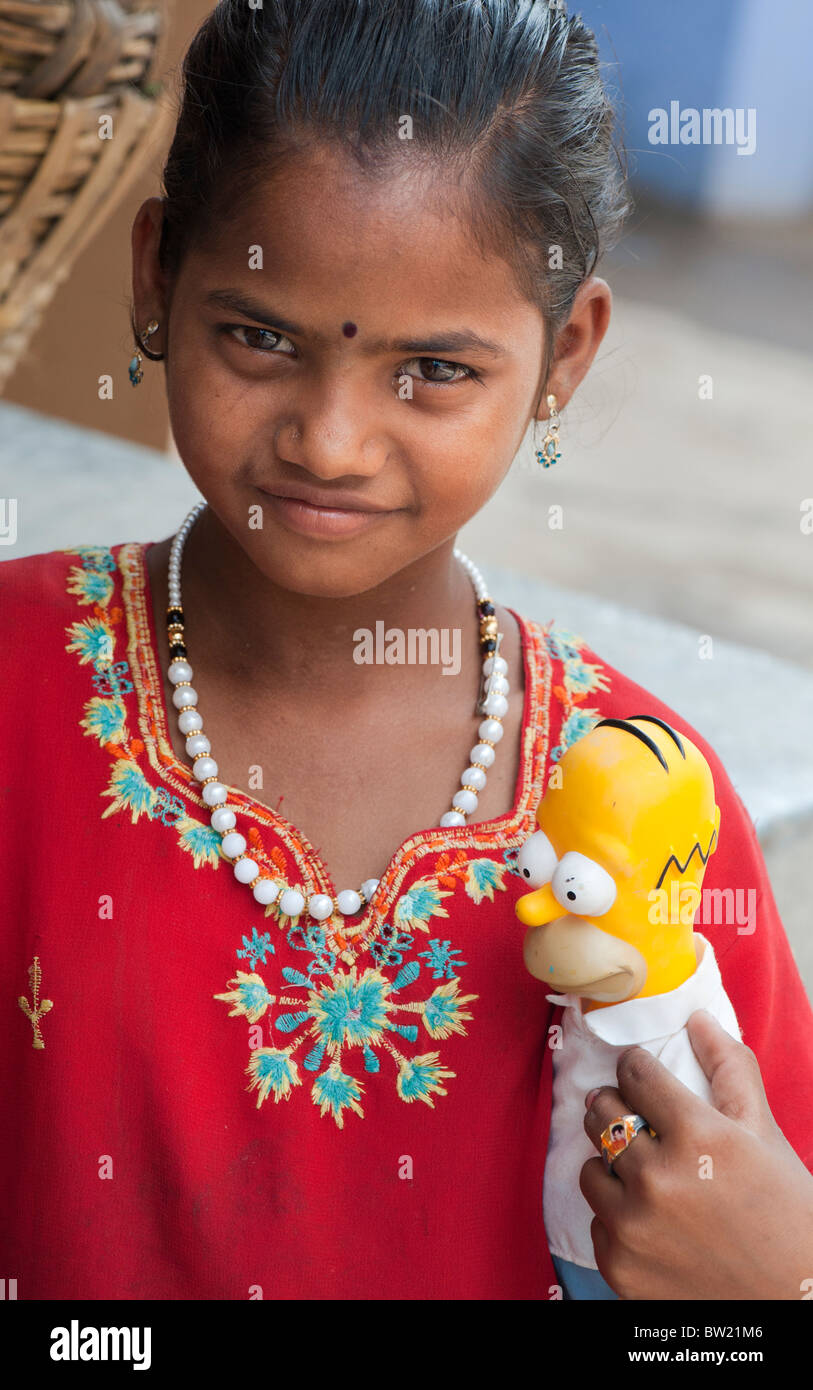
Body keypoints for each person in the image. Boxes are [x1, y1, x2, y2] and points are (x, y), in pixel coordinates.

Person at [1, 0, 811, 1301]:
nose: (328, 439)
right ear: (154, 274)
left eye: (433, 368)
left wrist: (778, 1278)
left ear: (564, 356)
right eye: (259, 336)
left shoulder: (647, 795)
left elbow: (730, 1239)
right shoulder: (13, 684)